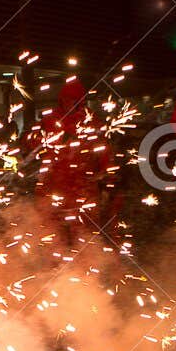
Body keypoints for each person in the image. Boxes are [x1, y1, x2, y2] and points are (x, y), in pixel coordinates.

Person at [35, 78, 114, 247]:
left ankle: (85, 266)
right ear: (62, 100)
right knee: (52, 233)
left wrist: (106, 174)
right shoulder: (51, 119)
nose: (76, 104)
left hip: (82, 187)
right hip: (56, 185)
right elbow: (37, 145)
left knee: (84, 234)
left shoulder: (91, 121)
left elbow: (104, 151)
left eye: (79, 100)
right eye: (72, 100)